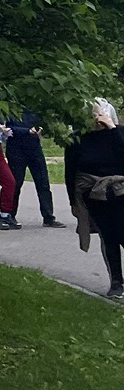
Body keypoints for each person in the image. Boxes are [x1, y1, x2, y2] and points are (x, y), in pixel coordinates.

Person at [65, 97, 124, 301]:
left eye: (100, 114)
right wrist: (73, 202)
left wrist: (112, 129)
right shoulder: (76, 139)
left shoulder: (119, 133)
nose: (96, 119)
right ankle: (116, 281)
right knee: (109, 236)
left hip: (121, 190)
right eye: (91, 115)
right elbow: (70, 172)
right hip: (93, 193)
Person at [4, 110, 64, 228]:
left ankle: (48, 217)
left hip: (34, 149)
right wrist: (27, 131)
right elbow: (8, 128)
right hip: (16, 150)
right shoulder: (12, 110)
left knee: (43, 183)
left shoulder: (37, 109)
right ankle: (10, 215)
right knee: (16, 183)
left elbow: (45, 126)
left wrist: (43, 129)